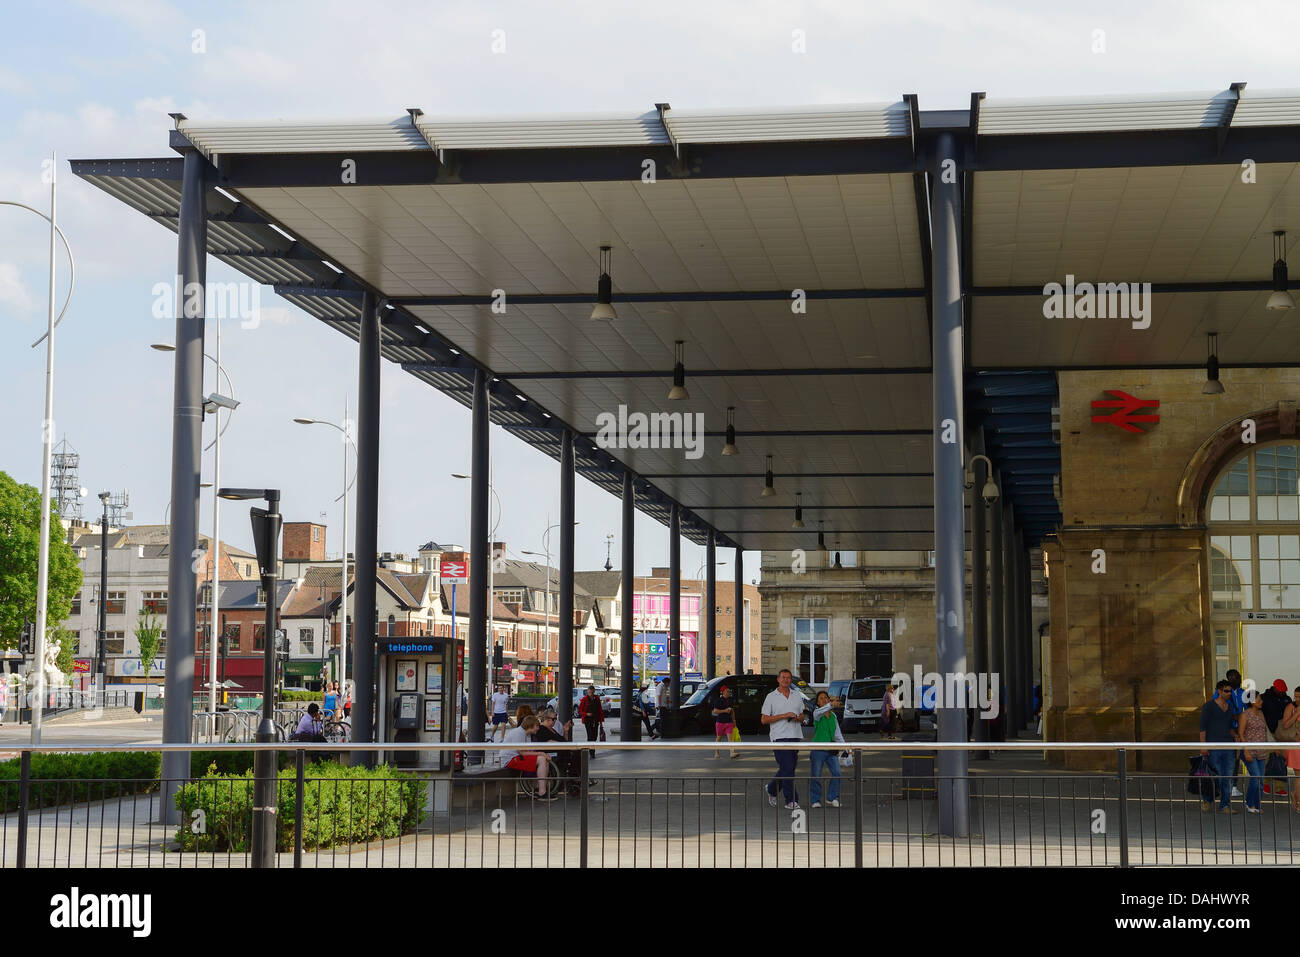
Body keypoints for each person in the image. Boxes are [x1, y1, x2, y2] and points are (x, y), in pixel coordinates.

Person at [760, 669, 806, 811]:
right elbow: (764, 719)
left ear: (791, 680)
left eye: (788, 678)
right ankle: (791, 799)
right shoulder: (771, 697)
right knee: (788, 767)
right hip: (779, 736)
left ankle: (773, 788)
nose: (786, 680)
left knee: (789, 767)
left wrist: (797, 718)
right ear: (778, 680)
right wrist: (783, 715)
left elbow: (802, 715)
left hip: (795, 735)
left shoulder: (797, 695)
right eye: (783, 677)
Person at [1199, 680, 1240, 814]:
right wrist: (1203, 746)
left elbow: (1229, 727)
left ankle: (1225, 805)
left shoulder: (1229, 708)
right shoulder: (1208, 707)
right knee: (1213, 776)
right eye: (1226, 691)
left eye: (1230, 691)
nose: (1229, 694)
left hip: (1228, 746)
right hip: (1213, 746)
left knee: (1227, 777)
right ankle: (1207, 799)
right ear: (1219, 691)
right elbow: (1202, 728)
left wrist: (1235, 736)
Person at [809, 691, 845, 808]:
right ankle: (815, 800)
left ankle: (832, 797)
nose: (824, 700)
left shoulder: (833, 716)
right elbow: (820, 711)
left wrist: (845, 748)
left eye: (826, 698)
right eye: (821, 699)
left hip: (831, 749)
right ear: (818, 702)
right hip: (818, 749)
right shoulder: (817, 713)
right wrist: (831, 704)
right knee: (816, 775)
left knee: (837, 773)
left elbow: (837, 734)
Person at [502, 715, 552, 799]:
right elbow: (522, 752)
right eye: (537, 726)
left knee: (543, 759)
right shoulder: (519, 733)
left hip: (515, 758)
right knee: (542, 759)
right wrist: (541, 753)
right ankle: (542, 792)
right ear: (531, 725)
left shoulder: (523, 733)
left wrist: (541, 753)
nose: (538, 728)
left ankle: (541, 789)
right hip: (510, 759)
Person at [1240, 691, 1269, 814]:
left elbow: (1265, 730)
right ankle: (1249, 803)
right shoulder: (1245, 715)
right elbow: (1241, 734)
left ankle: (1257, 804)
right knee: (1256, 777)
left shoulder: (1261, 713)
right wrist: (1246, 750)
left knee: (1260, 779)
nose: (1261, 702)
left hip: (1261, 750)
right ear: (1252, 701)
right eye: (1259, 699)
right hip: (1250, 751)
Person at [535, 709, 578, 791]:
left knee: (577, 753)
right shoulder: (542, 729)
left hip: (559, 750)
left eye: (556, 718)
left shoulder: (552, 729)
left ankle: (576, 779)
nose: (555, 721)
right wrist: (568, 747)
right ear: (546, 719)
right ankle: (574, 779)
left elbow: (563, 741)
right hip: (551, 752)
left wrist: (565, 731)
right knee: (573, 755)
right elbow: (551, 742)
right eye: (553, 719)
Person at [1261, 679, 1291, 796]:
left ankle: (1279, 787)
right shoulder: (1264, 698)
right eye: (1280, 691)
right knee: (1268, 758)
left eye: (1284, 691)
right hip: (1267, 732)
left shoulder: (1286, 699)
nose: (1282, 693)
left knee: (1281, 759)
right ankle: (1266, 783)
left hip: (1282, 733)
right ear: (1274, 688)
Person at [712, 683, 737, 758]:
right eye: (727, 691)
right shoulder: (718, 700)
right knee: (719, 738)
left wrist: (734, 720)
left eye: (729, 691)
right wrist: (724, 711)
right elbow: (715, 711)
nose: (729, 693)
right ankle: (716, 753)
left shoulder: (731, 700)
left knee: (730, 738)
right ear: (723, 692)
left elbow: (732, 711)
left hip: (729, 722)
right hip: (720, 722)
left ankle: (732, 753)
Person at [578, 685, 604, 750]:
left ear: (594, 691)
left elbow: (600, 710)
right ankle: (591, 751)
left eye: (592, 693)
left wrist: (601, 722)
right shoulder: (584, 699)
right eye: (589, 693)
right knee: (590, 736)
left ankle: (590, 748)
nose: (591, 694)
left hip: (595, 720)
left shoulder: (597, 698)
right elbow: (580, 711)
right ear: (588, 692)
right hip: (587, 720)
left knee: (595, 736)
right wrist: (586, 714)